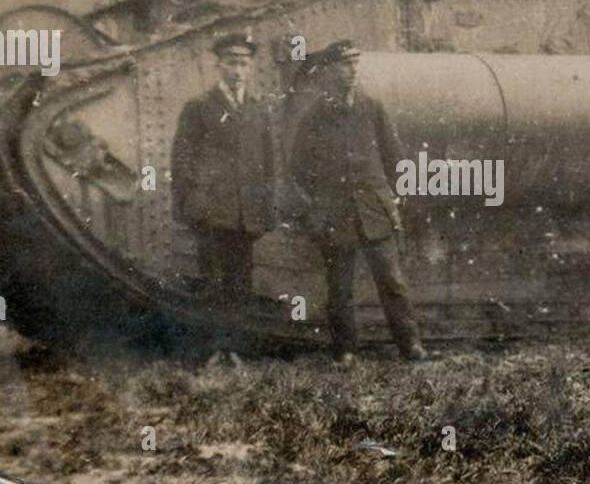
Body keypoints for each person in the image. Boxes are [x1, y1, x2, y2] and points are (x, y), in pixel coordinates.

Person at [289, 40, 426, 365]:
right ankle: (346, 350)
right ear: (330, 71)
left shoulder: (372, 107)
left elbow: (394, 155)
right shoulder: (315, 116)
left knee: (392, 281)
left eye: (355, 64)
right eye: (344, 65)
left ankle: (410, 345)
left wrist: (397, 193)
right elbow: (299, 166)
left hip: (374, 210)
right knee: (339, 288)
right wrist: (322, 199)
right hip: (335, 213)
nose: (352, 71)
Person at [171, 34, 280, 303]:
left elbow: (269, 162)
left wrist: (266, 205)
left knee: (242, 282)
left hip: (246, 212)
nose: (238, 71)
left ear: (251, 68)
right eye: (232, 63)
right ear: (218, 66)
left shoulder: (259, 108)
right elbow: (182, 159)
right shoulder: (199, 106)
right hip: (211, 210)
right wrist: (190, 202)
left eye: (244, 64)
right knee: (212, 284)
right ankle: (216, 345)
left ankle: (237, 345)